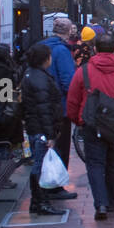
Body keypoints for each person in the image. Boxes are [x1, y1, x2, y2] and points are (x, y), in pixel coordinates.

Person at [66, 32, 114, 221]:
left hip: (92, 125)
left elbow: (73, 101)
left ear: (95, 49)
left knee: (95, 164)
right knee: (113, 164)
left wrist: (78, 122)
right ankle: (112, 201)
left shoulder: (83, 71)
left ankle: (100, 203)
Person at [21, 43, 67, 216]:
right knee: (40, 165)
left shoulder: (30, 74)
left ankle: (37, 201)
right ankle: (41, 201)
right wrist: (50, 134)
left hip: (34, 126)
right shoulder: (40, 79)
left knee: (39, 163)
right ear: (45, 59)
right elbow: (44, 108)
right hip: (40, 128)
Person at [38, 18, 80, 191]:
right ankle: (56, 186)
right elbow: (68, 81)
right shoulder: (62, 51)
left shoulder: (42, 47)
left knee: (46, 145)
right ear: (69, 31)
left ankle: (45, 181)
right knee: (61, 145)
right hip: (59, 106)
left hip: (42, 104)